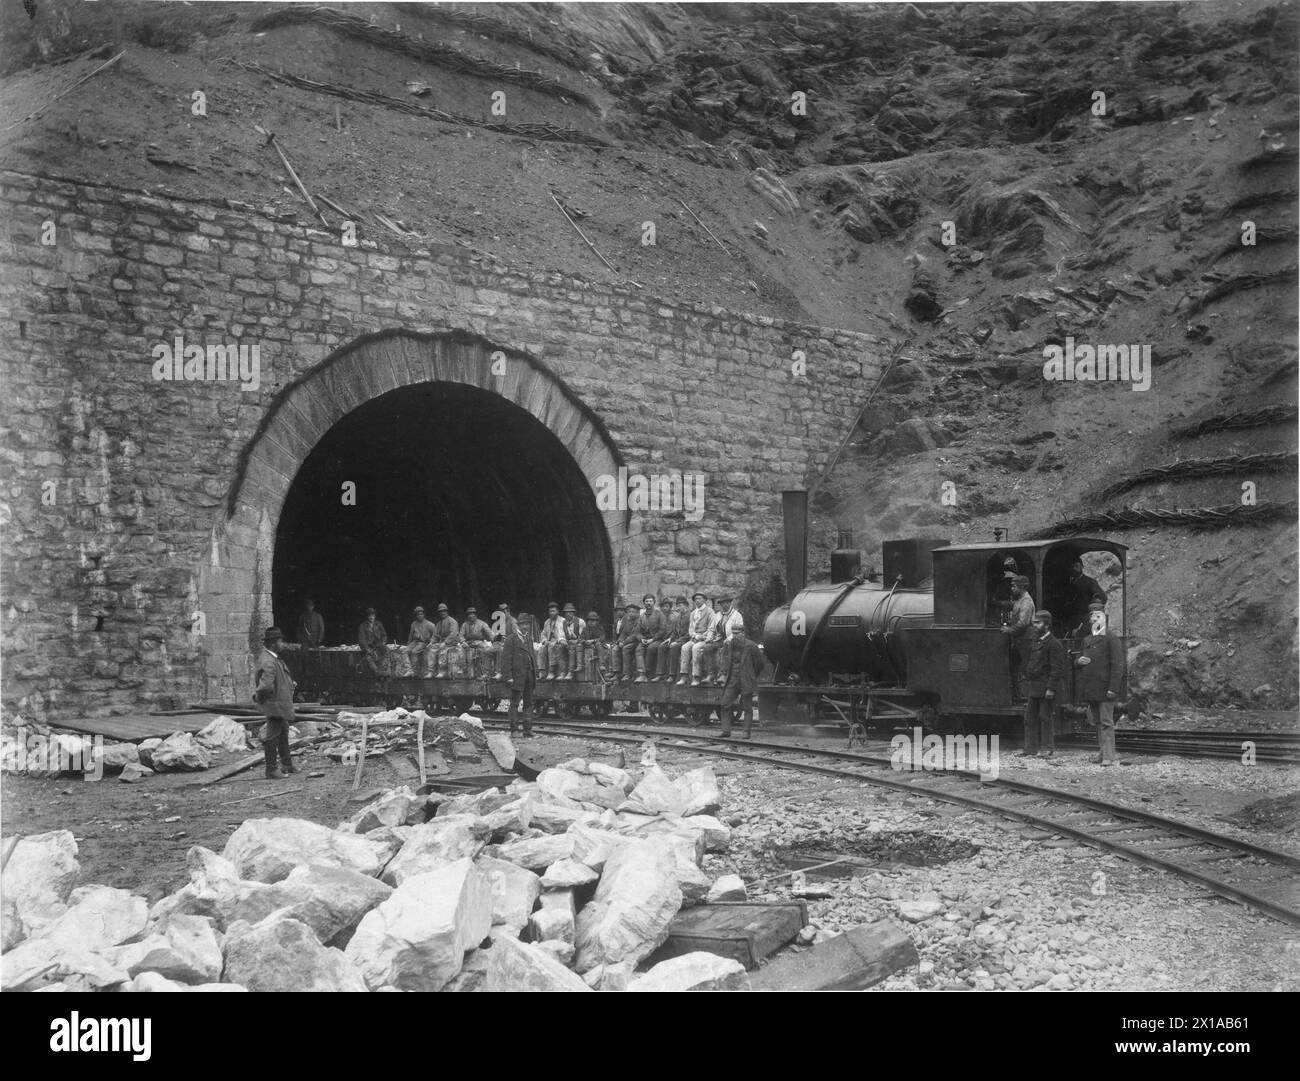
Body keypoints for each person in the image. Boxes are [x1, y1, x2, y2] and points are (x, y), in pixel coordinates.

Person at [1076, 602, 1125, 766]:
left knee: (1106, 722)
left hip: (1105, 688)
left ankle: (1109, 757)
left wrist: (1113, 688)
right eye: (1092, 616)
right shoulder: (1087, 639)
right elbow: (1081, 661)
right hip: (1092, 688)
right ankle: (1102, 753)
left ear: (1105, 618)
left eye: (1098, 615)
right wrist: (1078, 661)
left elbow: (1117, 665)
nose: (1095, 619)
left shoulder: (1111, 638)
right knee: (1097, 723)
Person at [253, 627, 297, 780]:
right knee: (272, 736)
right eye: (280, 641)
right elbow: (265, 686)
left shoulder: (272, 658)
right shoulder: (269, 661)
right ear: (273, 643)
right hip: (276, 705)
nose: (283, 644)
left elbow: (276, 680)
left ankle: (287, 764)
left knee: (283, 732)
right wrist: (266, 701)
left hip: (277, 703)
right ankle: (271, 769)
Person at [1020, 610, 1065, 758]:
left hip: (1045, 687)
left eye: (1037, 623)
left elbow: (1056, 668)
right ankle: (1030, 749)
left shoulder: (1054, 644)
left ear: (1046, 625)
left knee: (1045, 717)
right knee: (1029, 718)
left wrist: (1051, 688)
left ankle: (1047, 748)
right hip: (1034, 687)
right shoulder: (1037, 641)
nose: (1034, 626)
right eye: (1034, 623)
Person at [717, 621, 764, 738]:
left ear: (743, 633)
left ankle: (746, 732)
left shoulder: (751, 646)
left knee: (747, 707)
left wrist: (751, 675)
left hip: (746, 679)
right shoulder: (729, 645)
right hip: (732, 679)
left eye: (737, 633)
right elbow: (725, 661)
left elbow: (760, 664)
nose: (735, 636)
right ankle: (726, 731)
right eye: (733, 633)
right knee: (725, 704)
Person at [499, 611, 537, 737]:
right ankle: (514, 730)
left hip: (529, 676)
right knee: (515, 703)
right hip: (517, 677)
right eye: (522, 624)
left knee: (529, 703)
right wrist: (508, 677)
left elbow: (532, 656)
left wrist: (535, 672)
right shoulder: (511, 640)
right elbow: (506, 660)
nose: (525, 627)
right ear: (518, 626)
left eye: (527, 624)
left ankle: (527, 730)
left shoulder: (528, 639)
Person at [1000, 575, 1036, 698]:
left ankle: (1030, 698)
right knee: (1015, 668)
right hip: (1019, 640)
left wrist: (1009, 630)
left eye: (1014, 586)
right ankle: (1018, 695)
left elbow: (1023, 623)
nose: (1012, 588)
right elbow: (1012, 605)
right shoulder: (1020, 600)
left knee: (1027, 669)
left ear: (1022, 587)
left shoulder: (1026, 601)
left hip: (1025, 640)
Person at [697, 595, 742, 685]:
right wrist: (709, 638)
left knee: (726, 646)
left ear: (730, 603)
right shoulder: (718, 615)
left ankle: (723, 674)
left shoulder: (737, 615)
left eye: (727, 603)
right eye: (723, 603)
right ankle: (711, 674)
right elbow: (712, 629)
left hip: (733, 639)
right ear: (721, 605)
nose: (725, 605)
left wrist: (729, 639)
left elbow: (739, 630)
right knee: (707, 648)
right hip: (720, 639)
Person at [678, 592, 713, 685]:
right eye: (696, 599)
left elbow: (711, 628)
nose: (697, 601)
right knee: (685, 648)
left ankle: (696, 677)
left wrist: (702, 637)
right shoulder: (693, 613)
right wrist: (694, 635)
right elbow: (691, 628)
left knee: (696, 648)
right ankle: (684, 676)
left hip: (704, 639)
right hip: (694, 638)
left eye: (700, 598)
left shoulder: (710, 612)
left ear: (704, 600)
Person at [635, 593, 666, 682]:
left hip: (657, 639)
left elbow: (662, 630)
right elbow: (637, 632)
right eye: (646, 601)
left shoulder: (659, 614)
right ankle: (642, 674)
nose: (648, 603)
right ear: (644, 603)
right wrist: (641, 639)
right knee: (638, 649)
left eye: (651, 601)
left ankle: (648, 673)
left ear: (654, 603)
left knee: (651, 648)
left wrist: (652, 639)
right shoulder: (642, 617)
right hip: (645, 639)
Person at [538, 601, 569, 681]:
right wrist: (545, 641)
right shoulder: (547, 622)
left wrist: (556, 641)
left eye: (553, 611)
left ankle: (552, 671)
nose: (551, 613)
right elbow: (543, 634)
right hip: (550, 642)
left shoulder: (563, 621)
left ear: (557, 612)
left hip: (561, 641)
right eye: (550, 611)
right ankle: (542, 672)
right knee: (542, 648)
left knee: (552, 646)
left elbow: (565, 634)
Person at [661, 596, 689, 682]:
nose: (678, 608)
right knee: (662, 646)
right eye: (677, 606)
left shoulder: (690, 616)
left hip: (686, 640)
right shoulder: (678, 617)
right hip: (678, 639)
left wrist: (677, 641)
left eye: (680, 605)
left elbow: (689, 634)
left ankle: (672, 675)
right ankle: (661, 674)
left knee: (673, 647)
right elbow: (675, 632)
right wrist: (670, 638)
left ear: (686, 606)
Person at [357, 607, 388, 675]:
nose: (371, 617)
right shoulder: (362, 626)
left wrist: (383, 642)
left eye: (373, 615)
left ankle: (383, 670)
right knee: (369, 658)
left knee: (385, 652)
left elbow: (384, 635)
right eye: (369, 616)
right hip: (369, 646)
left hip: (379, 645)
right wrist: (366, 648)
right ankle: (376, 671)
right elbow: (361, 639)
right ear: (367, 616)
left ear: (375, 616)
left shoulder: (379, 624)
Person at [407, 606, 435, 678]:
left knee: (414, 651)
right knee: (406, 650)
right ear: (416, 615)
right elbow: (410, 636)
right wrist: (408, 644)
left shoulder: (429, 624)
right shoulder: (413, 624)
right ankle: (409, 670)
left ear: (424, 614)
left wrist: (431, 643)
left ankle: (414, 671)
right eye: (418, 614)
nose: (420, 615)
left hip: (424, 642)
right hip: (415, 642)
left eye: (421, 614)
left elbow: (435, 635)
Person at [616, 602, 641, 682]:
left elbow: (634, 635)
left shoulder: (639, 621)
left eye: (633, 612)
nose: (630, 613)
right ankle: (616, 673)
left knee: (626, 648)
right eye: (629, 612)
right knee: (615, 649)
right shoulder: (628, 621)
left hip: (637, 641)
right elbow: (623, 633)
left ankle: (627, 674)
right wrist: (620, 641)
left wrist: (624, 643)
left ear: (637, 613)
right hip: (629, 642)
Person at [578, 609, 607, 679]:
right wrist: (585, 641)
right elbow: (580, 639)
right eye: (589, 620)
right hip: (587, 645)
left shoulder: (600, 628)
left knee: (598, 644)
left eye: (593, 621)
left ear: (597, 621)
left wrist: (593, 640)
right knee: (579, 646)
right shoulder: (585, 629)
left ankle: (602, 664)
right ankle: (579, 665)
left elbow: (602, 638)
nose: (591, 622)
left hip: (597, 645)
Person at [561, 603, 585, 679]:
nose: (568, 614)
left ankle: (571, 671)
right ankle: (562, 672)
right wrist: (564, 641)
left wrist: (576, 641)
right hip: (568, 643)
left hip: (579, 643)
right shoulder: (563, 623)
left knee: (573, 647)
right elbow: (561, 635)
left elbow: (583, 636)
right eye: (566, 612)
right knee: (560, 647)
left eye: (570, 612)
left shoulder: (580, 622)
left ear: (573, 613)